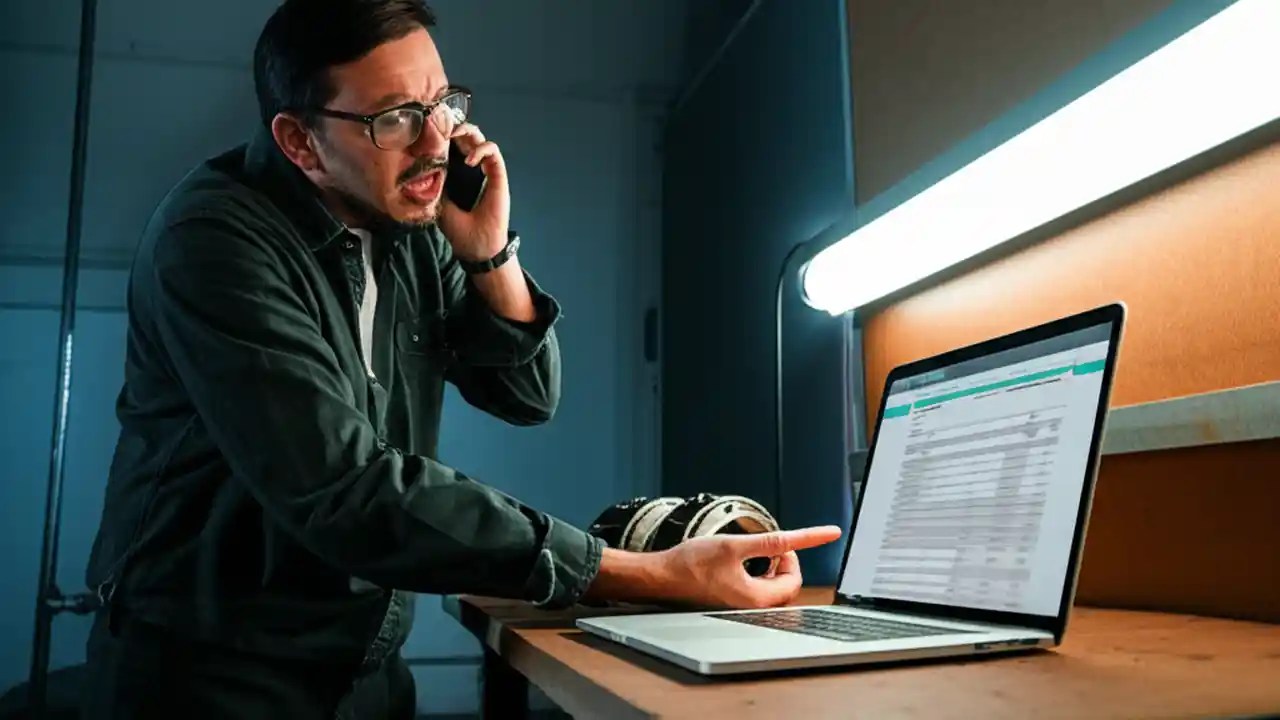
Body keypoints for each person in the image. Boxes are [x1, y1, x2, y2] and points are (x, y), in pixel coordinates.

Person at [79, 0, 841, 717]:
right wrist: (641, 573)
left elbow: (528, 396)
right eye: (395, 119)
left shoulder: (411, 222)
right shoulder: (214, 241)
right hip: (212, 675)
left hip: (367, 666)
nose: (436, 142)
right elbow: (347, 493)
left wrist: (489, 255)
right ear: (300, 142)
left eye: (442, 103)